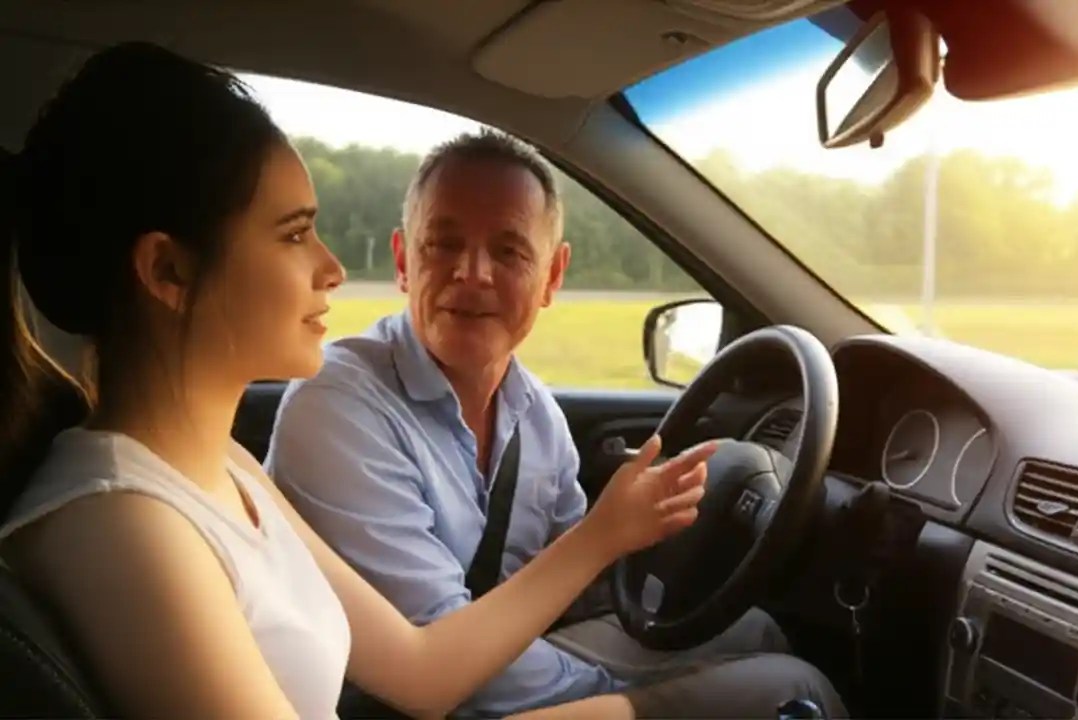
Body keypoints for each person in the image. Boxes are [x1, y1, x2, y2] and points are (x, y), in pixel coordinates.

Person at [0, 41, 722, 720]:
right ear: (169, 272)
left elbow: (421, 668)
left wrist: (612, 556)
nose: (333, 269)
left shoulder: (224, 468)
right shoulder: (123, 525)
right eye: (293, 233)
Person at [265, 130, 848, 718]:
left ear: (552, 276)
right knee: (795, 689)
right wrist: (617, 684)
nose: (472, 273)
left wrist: (661, 537)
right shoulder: (340, 402)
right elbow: (438, 674)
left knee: (758, 634)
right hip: (400, 701)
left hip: (492, 663)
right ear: (403, 262)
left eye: (509, 252)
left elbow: (573, 585)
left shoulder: (537, 416)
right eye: (442, 245)